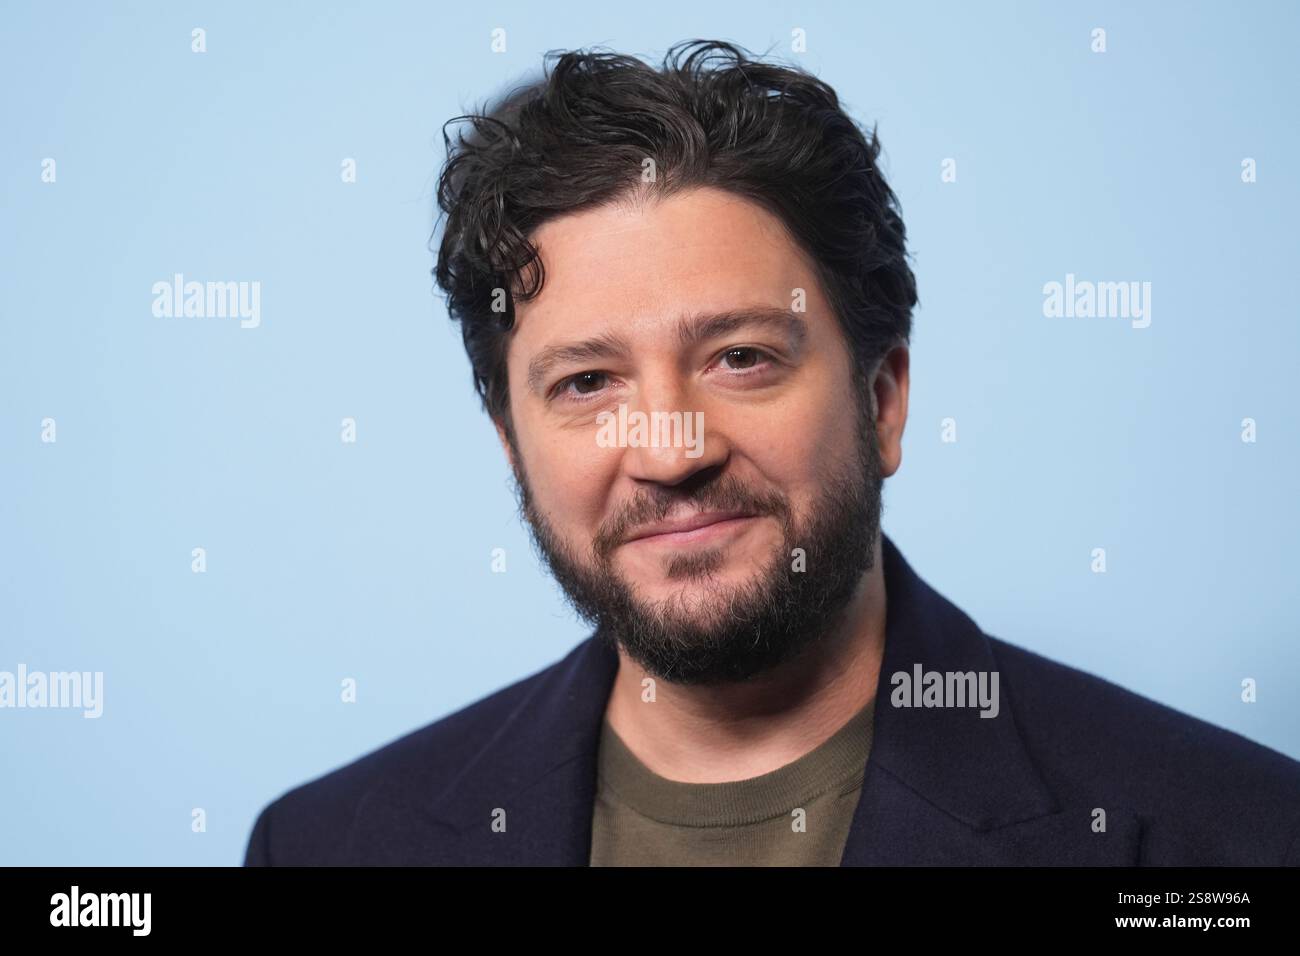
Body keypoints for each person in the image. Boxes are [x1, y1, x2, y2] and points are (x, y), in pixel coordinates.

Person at [244, 40, 1300, 866]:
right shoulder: (329, 844)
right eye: (586, 382)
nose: (669, 451)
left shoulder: (1231, 834)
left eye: (741, 356)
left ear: (880, 400)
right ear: (512, 447)